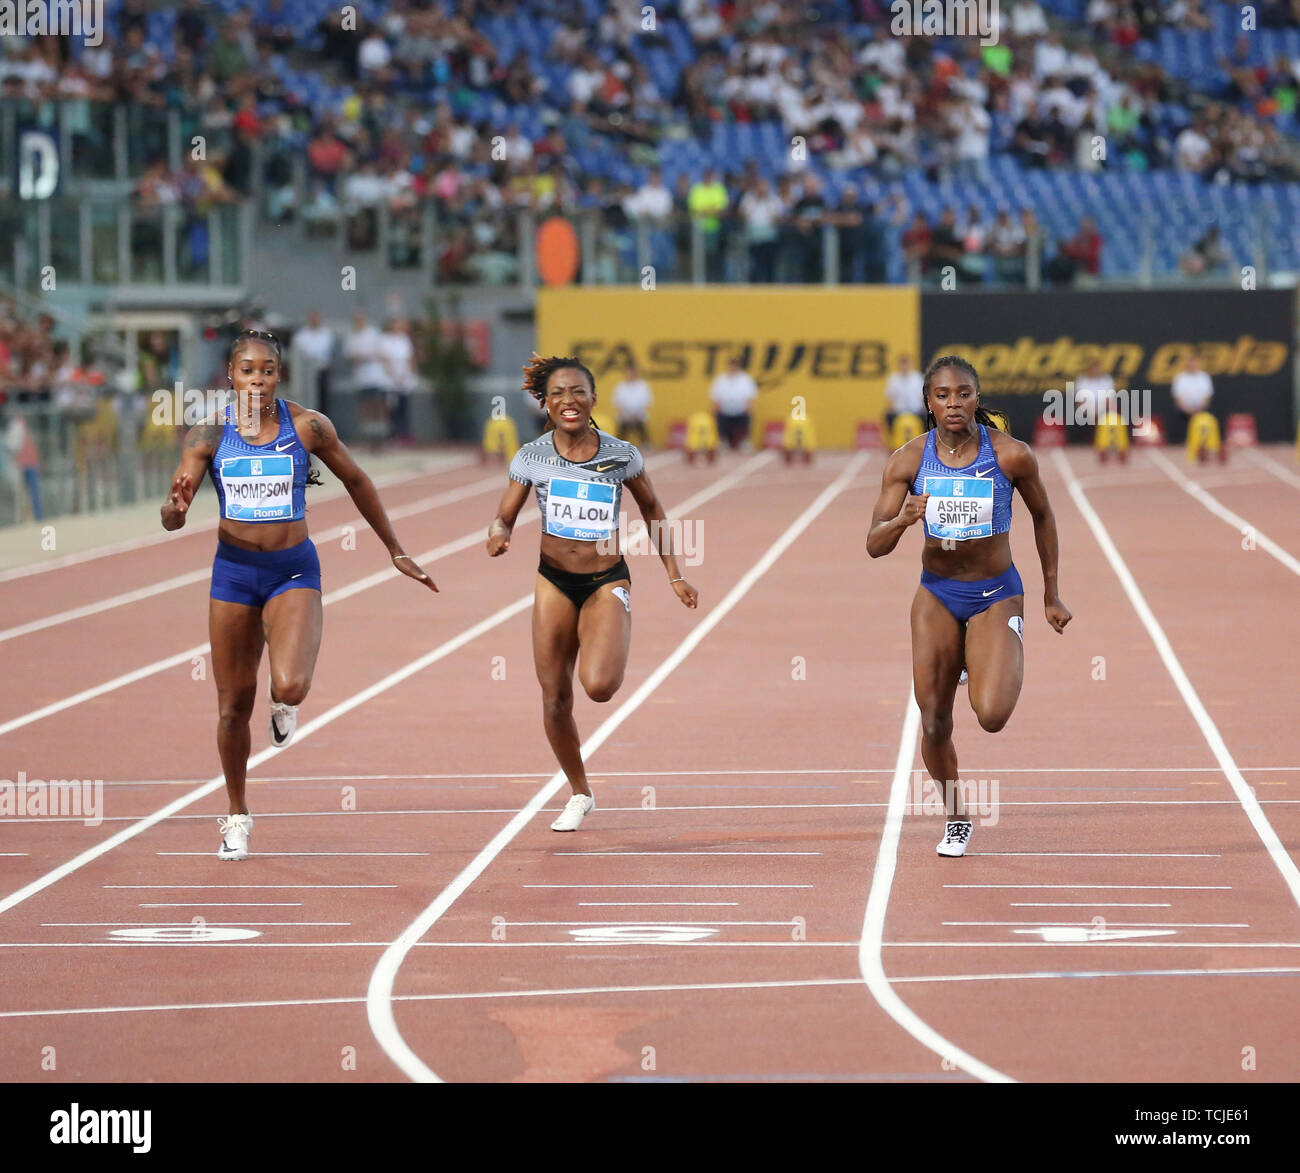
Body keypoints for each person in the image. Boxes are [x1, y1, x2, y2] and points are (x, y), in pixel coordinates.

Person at [160, 329, 436, 861]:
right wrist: (174, 511)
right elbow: (175, 512)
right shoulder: (209, 435)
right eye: (247, 370)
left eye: (266, 370)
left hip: (292, 571)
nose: (257, 379)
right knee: (231, 705)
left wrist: (395, 549)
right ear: (230, 375)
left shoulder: (307, 426)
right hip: (234, 575)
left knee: (291, 684)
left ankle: (283, 707)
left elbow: (357, 481)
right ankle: (237, 815)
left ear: (278, 375)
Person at [866, 355, 1071, 857]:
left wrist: (1050, 593)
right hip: (937, 593)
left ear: (978, 399)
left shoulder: (1011, 456)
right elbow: (873, 544)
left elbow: (1044, 518)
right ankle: (957, 817)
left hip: (996, 592)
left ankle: (986, 655)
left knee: (992, 714)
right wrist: (902, 520)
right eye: (942, 395)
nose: (953, 403)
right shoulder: (908, 461)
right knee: (934, 719)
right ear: (928, 404)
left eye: (963, 393)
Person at [486, 354, 698, 832]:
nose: (569, 401)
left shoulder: (621, 454)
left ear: (594, 398)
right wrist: (499, 532)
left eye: (578, 391)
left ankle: (611, 628)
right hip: (553, 580)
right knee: (555, 698)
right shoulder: (532, 456)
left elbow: (653, 510)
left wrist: (674, 574)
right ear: (544, 403)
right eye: (558, 393)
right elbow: (505, 513)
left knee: (599, 687)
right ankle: (580, 792)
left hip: (606, 579)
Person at [709, 355, 758, 450]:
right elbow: (716, 398)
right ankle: (722, 441)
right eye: (731, 365)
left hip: (741, 411)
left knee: (748, 417)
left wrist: (748, 410)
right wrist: (716, 411)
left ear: (739, 366)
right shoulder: (720, 380)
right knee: (718, 416)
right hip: (725, 411)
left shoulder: (746, 380)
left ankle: (745, 441)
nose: (733, 367)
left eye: (735, 365)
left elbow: (751, 398)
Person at [1170, 351, 1214, 444]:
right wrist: (1186, 409)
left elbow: (1207, 397)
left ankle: (1203, 441)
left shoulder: (1204, 377)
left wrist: (1199, 409)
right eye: (1190, 362)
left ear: (1198, 363)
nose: (1192, 365)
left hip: (1201, 408)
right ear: (1186, 363)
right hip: (1184, 409)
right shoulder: (1180, 377)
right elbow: (1177, 398)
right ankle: (1181, 440)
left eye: (1194, 362)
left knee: (1207, 416)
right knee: (1177, 413)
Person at [883, 353, 925, 439]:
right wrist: (890, 409)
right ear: (899, 365)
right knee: (887, 416)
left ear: (910, 364)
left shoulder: (917, 377)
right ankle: (893, 440)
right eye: (902, 364)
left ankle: (924, 441)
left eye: (906, 364)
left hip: (916, 410)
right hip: (898, 411)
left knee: (929, 417)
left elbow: (922, 397)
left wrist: (926, 408)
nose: (904, 366)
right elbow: (890, 398)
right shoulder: (893, 379)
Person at [611, 360, 653, 447]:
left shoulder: (643, 386)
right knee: (621, 432)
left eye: (633, 371)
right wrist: (626, 416)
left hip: (639, 417)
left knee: (642, 428)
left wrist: (636, 416)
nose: (631, 374)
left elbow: (647, 403)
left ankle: (646, 445)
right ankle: (618, 447)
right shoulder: (620, 386)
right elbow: (618, 404)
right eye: (629, 371)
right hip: (624, 417)